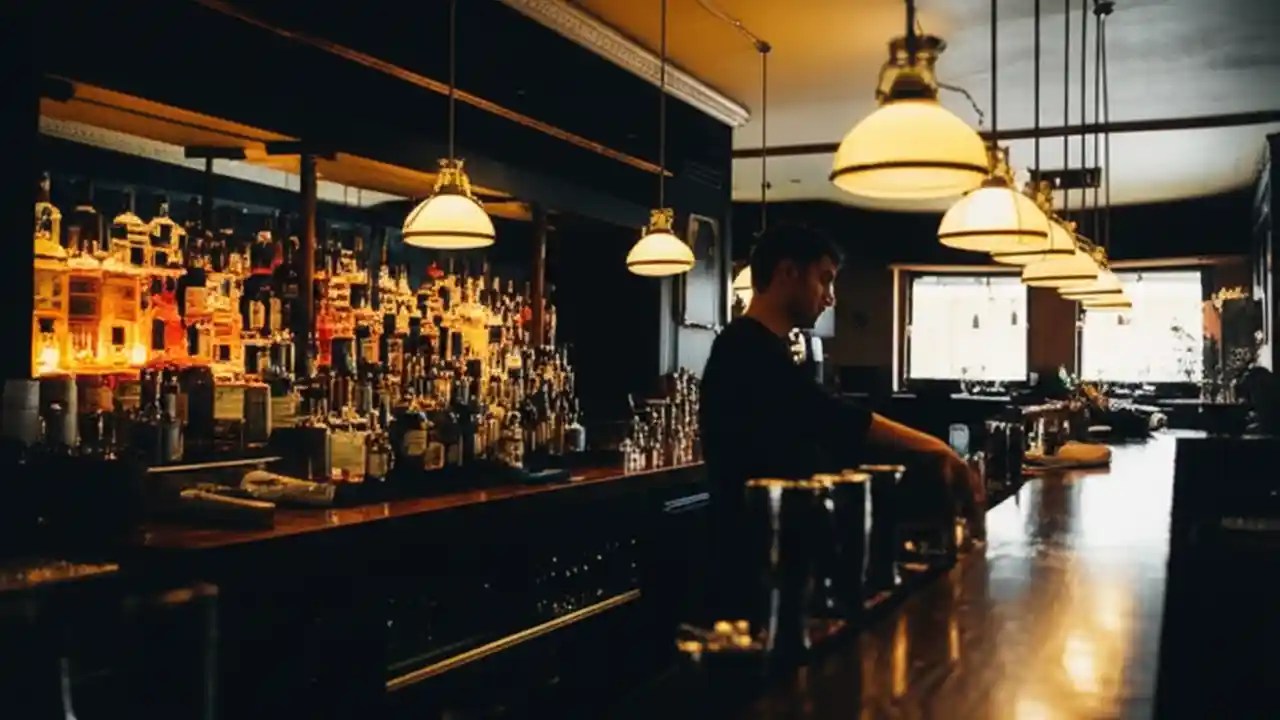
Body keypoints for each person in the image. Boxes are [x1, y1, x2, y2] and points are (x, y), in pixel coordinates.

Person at [699, 223, 984, 616]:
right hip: (756, 563)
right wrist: (938, 451)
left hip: (776, 554)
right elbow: (833, 418)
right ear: (787, 273)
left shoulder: (763, 347)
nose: (830, 297)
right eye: (825, 279)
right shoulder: (745, 349)